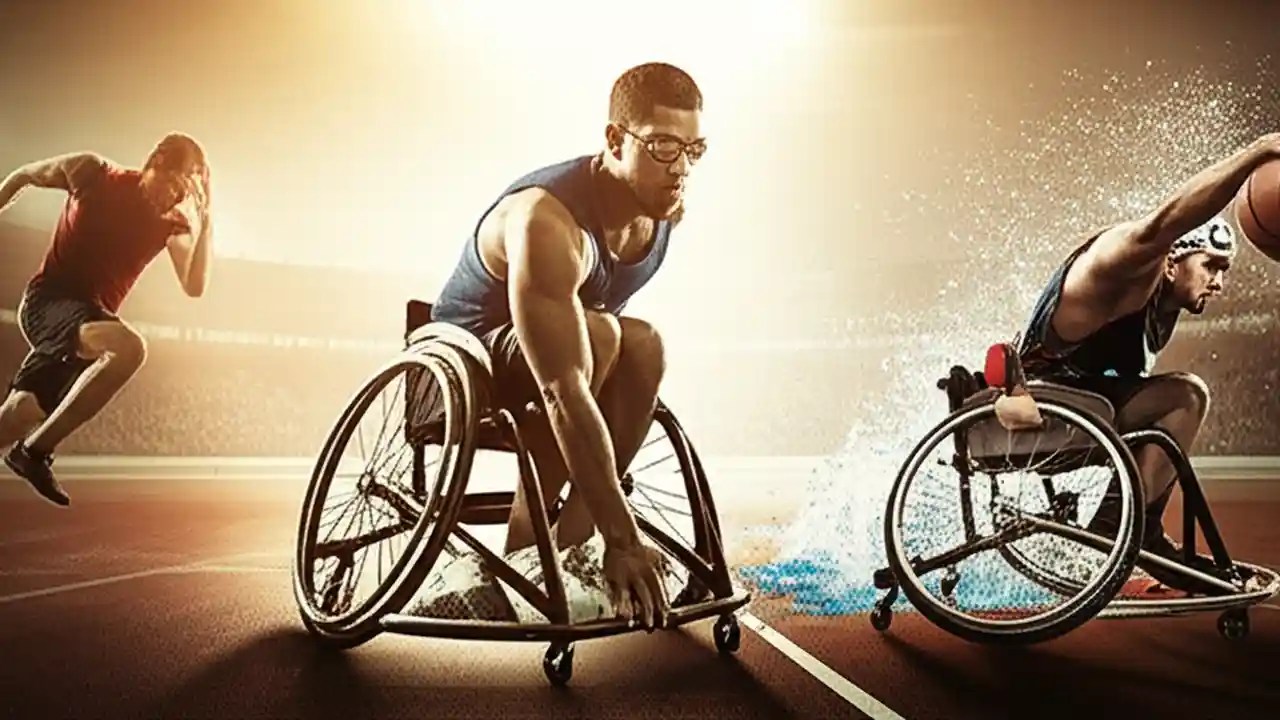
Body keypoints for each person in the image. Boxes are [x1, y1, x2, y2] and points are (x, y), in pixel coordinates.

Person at [429, 62, 706, 629]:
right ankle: (525, 550)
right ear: (614, 140)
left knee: (646, 343)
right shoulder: (546, 220)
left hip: (571, 348)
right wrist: (626, 537)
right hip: (469, 358)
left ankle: (574, 548)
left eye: (693, 150)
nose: (679, 167)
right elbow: (561, 390)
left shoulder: (664, 207)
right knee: (601, 333)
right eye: (662, 146)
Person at [1017, 132, 1280, 591]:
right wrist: (1258, 152)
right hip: (1043, 411)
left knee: (1175, 404)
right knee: (1185, 396)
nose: (1219, 282)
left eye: (1224, 270)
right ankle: (1127, 530)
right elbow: (1166, 223)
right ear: (1173, 261)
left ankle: (1136, 529)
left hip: (1078, 411)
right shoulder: (1125, 264)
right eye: (1211, 265)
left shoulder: (1161, 306)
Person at [0, 132, 213, 506]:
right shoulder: (91, 172)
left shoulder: (172, 224)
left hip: (87, 324)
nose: (172, 198)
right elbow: (24, 176)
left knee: (20, 413)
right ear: (156, 162)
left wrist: (206, 223)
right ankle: (33, 453)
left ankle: (26, 447)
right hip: (47, 302)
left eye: (182, 195)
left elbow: (194, 286)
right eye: (172, 185)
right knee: (129, 349)